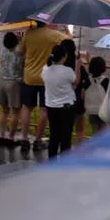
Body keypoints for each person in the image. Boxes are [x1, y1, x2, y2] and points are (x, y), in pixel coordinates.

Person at [17, 21, 67, 152]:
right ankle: (38, 140)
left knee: (27, 108)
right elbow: (68, 43)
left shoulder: (29, 33)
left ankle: (24, 139)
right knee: (44, 110)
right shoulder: (54, 35)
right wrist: (66, 30)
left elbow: (20, 51)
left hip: (29, 76)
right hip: (46, 78)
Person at [41, 44, 79, 157]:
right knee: (65, 137)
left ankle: (52, 160)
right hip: (66, 108)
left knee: (54, 135)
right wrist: (78, 65)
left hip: (51, 107)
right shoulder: (67, 71)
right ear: (64, 57)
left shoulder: (45, 69)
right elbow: (75, 81)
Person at [0, 32, 23, 147]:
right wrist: (21, 42)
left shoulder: (2, 50)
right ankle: (11, 137)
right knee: (16, 112)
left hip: (1, 81)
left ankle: (2, 136)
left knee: (4, 111)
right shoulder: (19, 52)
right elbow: (22, 65)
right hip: (14, 83)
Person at [79, 56, 109, 136]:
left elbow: (82, 95)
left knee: (94, 131)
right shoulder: (106, 81)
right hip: (103, 110)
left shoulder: (87, 80)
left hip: (91, 109)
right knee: (104, 131)